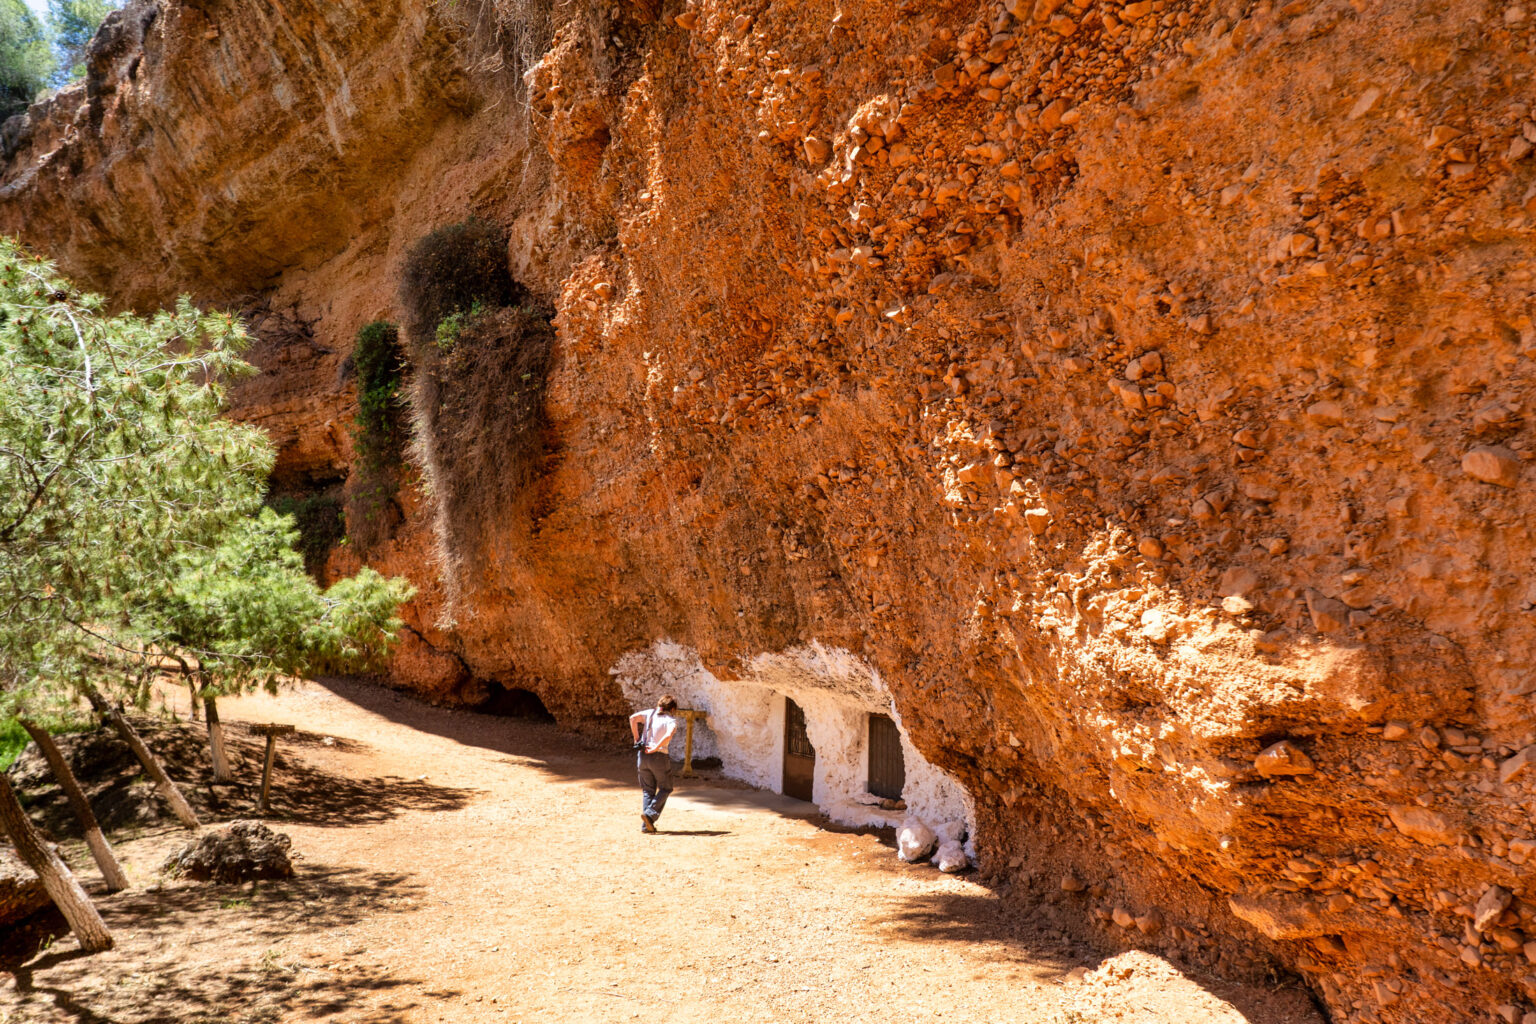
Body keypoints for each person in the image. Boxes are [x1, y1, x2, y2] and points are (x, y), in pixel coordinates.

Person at [630, 695, 678, 834]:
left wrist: (636, 738)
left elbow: (632, 719)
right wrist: (656, 747)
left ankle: (646, 826)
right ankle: (650, 815)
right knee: (666, 787)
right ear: (673, 709)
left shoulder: (649, 713)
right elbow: (668, 735)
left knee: (647, 790)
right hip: (659, 756)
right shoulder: (671, 721)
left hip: (642, 755)